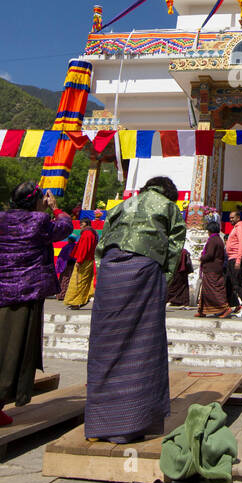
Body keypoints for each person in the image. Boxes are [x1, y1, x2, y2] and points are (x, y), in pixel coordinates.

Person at [0, 183, 72, 427]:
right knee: (9, 349)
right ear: (36, 201)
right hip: (21, 295)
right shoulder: (39, 220)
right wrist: (55, 208)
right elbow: (63, 228)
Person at [85, 176, 186, 443]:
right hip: (144, 269)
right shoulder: (168, 207)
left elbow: (100, 244)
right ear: (169, 192)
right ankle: (129, 423)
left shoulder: (121, 206)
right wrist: (161, 283)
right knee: (141, 344)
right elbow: (174, 250)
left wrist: (104, 275)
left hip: (110, 270)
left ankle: (99, 424)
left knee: (105, 342)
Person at [196, 216, 232, 318]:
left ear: (210, 231)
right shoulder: (219, 239)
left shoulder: (213, 240)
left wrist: (202, 258)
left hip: (212, 269)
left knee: (214, 290)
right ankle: (202, 310)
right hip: (214, 268)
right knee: (206, 290)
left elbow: (210, 255)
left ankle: (225, 308)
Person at [61, 224, 98, 309]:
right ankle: (82, 300)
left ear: (86, 225)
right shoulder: (93, 233)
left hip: (84, 261)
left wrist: (79, 260)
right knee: (85, 281)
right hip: (90, 260)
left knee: (78, 280)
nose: (80, 226)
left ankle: (75, 303)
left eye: (82, 225)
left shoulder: (87, 233)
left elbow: (84, 248)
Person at [223, 210, 242, 316]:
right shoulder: (235, 228)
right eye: (229, 218)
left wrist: (238, 260)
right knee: (229, 282)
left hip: (235, 258)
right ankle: (233, 304)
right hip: (231, 258)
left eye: (232, 218)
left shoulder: (240, 227)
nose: (231, 220)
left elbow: (241, 243)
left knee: (237, 282)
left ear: (238, 218)